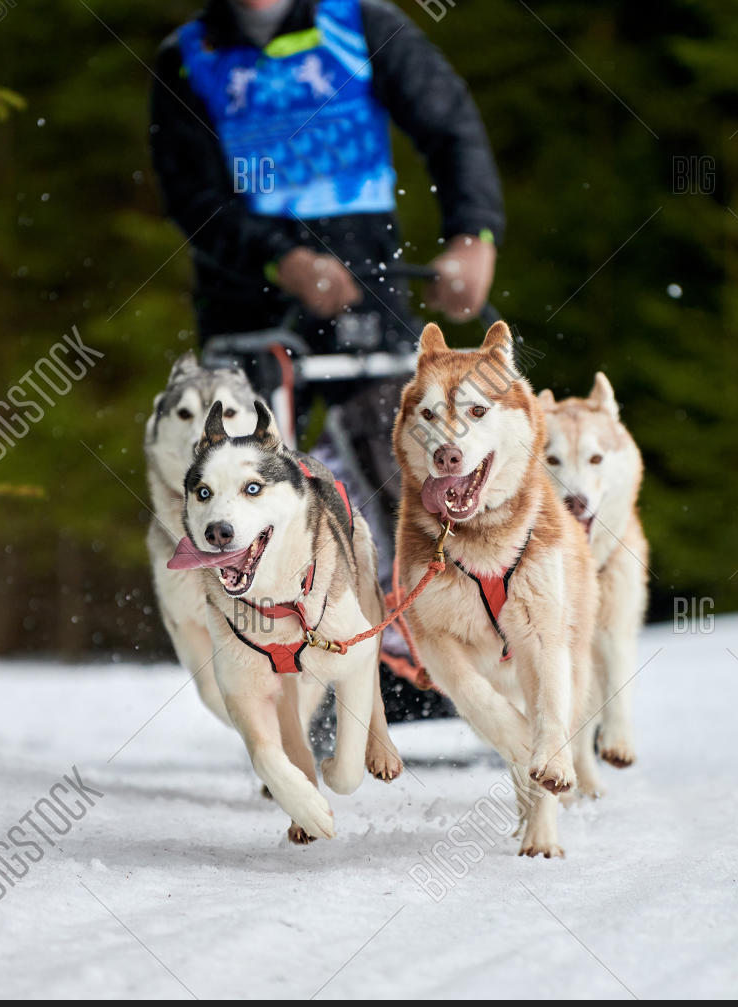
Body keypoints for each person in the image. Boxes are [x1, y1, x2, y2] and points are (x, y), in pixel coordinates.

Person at [149, 0, 504, 713]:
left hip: (368, 286)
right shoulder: (186, 59)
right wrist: (282, 259)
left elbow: (452, 128)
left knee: (409, 471)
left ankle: (434, 662)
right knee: (252, 494)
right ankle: (285, 692)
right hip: (248, 308)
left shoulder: (364, 26)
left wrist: (474, 236)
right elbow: (194, 198)